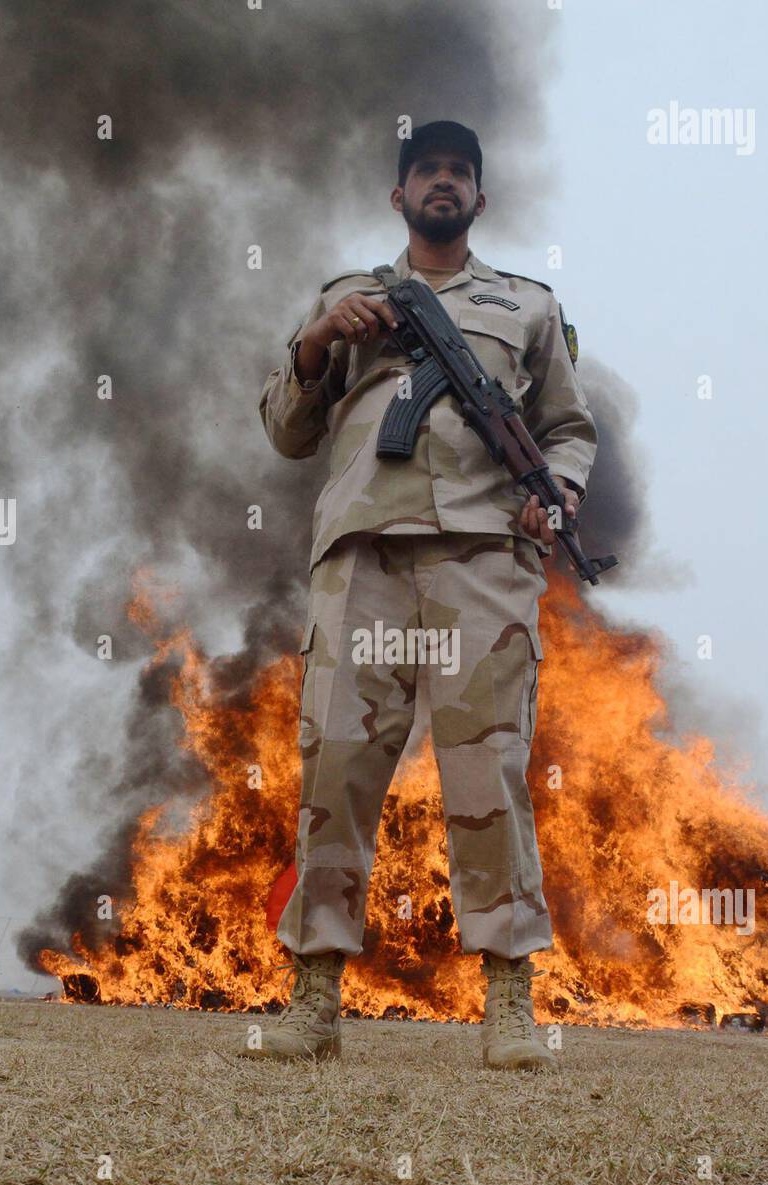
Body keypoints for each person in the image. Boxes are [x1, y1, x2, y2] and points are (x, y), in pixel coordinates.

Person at [255, 120, 598, 1069]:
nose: (443, 182)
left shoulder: (527, 305)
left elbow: (567, 427)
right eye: (426, 171)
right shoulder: (346, 298)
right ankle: (314, 1001)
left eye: (460, 173)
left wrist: (557, 494)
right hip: (362, 556)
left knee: (490, 774)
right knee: (335, 770)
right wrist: (321, 339)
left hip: (483, 561)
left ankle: (510, 1008)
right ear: (398, 196)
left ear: (479, 200)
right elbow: (286, 431)